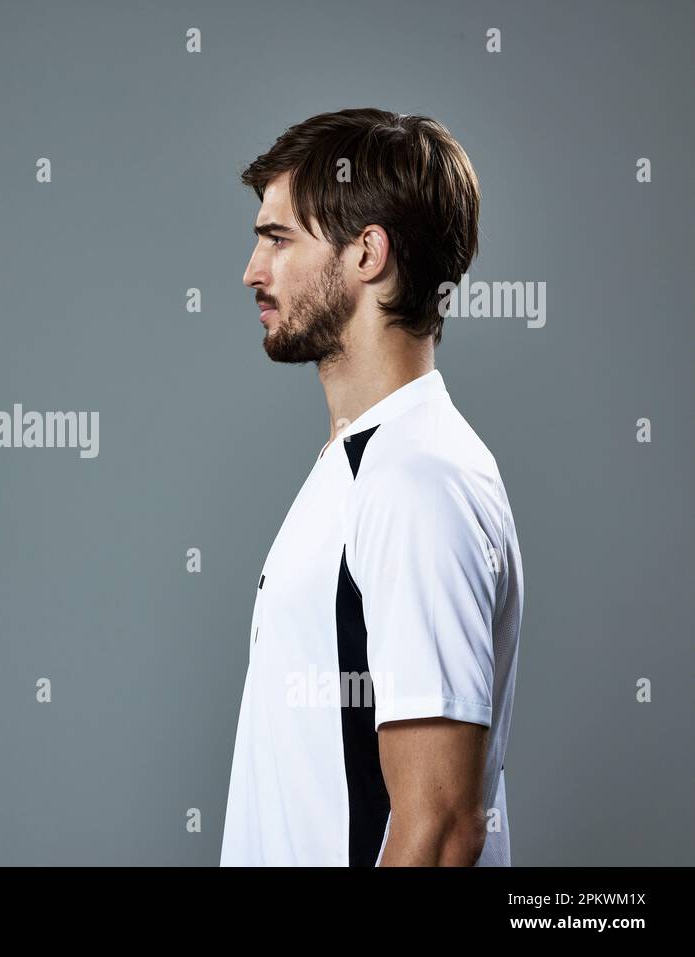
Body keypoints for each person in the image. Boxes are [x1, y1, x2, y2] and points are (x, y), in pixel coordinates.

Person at [221, 110, 523, 866]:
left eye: (279, 238)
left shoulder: (416, 482)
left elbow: (442, 826)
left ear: (367, 252)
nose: (253, 270)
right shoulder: (360, 464)